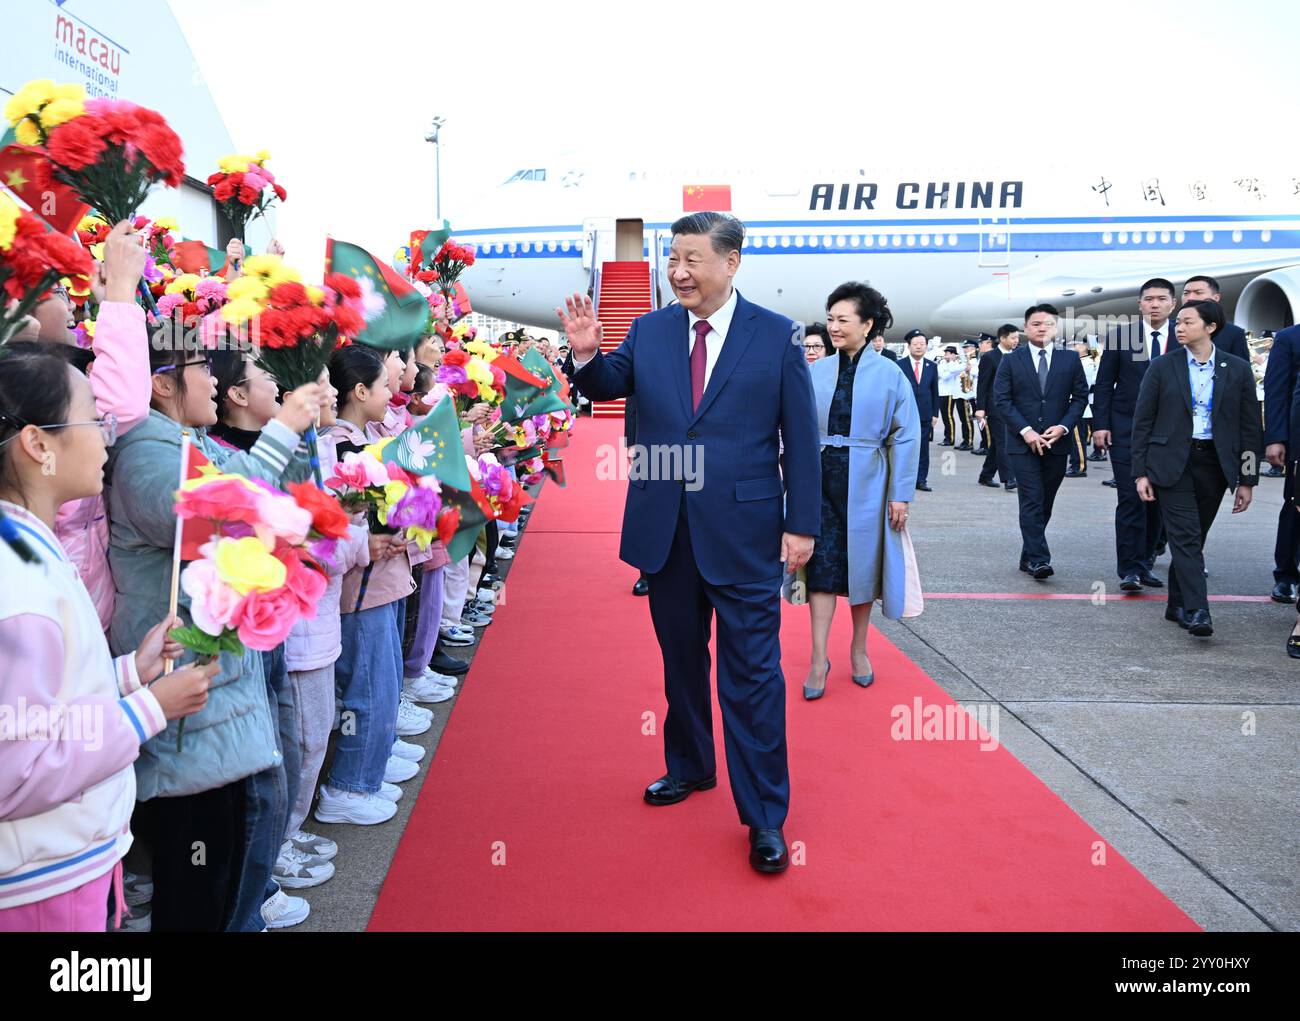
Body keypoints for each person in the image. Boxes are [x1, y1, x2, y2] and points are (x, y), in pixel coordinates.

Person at [558, 211, 820, 875]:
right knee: (681, 663)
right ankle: (691, 765)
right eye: (673, 258)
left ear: (731, 263)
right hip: (666, 529)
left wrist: (803, 523)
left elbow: (803, 439)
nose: (679, 272)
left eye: (693, 259)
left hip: (746, 531)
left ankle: (765, 814)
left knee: (754, 676)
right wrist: (587, 353)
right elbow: (608, 385)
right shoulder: (648, 330)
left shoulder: (777, 335)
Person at [0, 344, 216, 932]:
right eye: (94, 417)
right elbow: (17, 770)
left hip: (64, 859)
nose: (107, 435)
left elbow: (48, 708)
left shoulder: (30, 549)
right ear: (38, 444)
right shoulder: (18, 582)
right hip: (44, 879)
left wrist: (128, 673)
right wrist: (150, 709)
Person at [107, 335, 319, 932]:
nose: (214, 382)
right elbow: (218, 505)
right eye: (204, 369)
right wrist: (283, 432)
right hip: (186, 722)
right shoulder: (144, 450)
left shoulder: (186, 438)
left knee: (221, 876)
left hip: (214, 703)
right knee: (197, 891)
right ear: (163, 382)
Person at [801, 283, 922, 701]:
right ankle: (818, 657)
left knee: (860, 568)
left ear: (867, 325)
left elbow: (907, 436)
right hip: (818, 480)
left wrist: (900, 494)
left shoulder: (891, 373)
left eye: (843, 320)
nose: (833, 327)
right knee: (820, 567)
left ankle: (858, 648)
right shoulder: (814, 371)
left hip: (868, 480)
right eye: (830, 318)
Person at [1131, 300, 1260, 637]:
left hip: (1215, 464)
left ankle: (1176, 603)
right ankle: (1198, 609)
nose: (1180, 328)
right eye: (1178, 323)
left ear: (1211, 326)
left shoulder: (1237, 368)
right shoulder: (1162, 366)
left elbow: (1250, 428)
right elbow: (1142, 423)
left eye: (1188, 322)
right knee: (1186, 536)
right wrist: (1140, 473)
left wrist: (1247, 479)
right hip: (1171, 463)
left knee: (1194, 537)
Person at [992, 304, 1089, 578]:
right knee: (1031, 499)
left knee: (1045, 502)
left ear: (1056, 328)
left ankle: (1028, 555)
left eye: (1047, 323)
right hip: (1023, 444)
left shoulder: (1070, 360)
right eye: (1036, 324)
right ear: (1025, 328)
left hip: (1057, 443)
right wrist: (1026, 431)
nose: (1042, 327)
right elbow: (1002, 400)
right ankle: (1039, 559)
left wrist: (1063, 427)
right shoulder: (1011, 360)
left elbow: (1080, 397)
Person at [1093, 279, 1175, 591]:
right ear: (1139, 304)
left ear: (1173, 304)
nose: (1155, 304)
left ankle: (1145, 563)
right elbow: (1104, 384)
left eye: (1161, 299)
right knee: (1130, 498)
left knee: (1156, 500)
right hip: (1125, 430)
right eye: (1149, 299)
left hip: (1168, 434)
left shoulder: (1181, 338)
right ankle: (1128, 569)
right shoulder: (1121, 336)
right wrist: (1101, 424)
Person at [1263, 321, 1300, 603]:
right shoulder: (1290, 338)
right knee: (1295, 507)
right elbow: (1277, 391)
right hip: (1297, 438)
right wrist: (1276, 438)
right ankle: (1286, 575)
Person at [975, 324, 1019, 489]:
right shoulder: (990, 357)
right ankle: (1009, 478)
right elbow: (982, 384)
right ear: (1002, 338)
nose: (1016, 341)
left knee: (997, 443)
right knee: (1004, 441)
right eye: (1013, 338)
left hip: (1013, 406)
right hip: (995, 406)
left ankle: (986, 475)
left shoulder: (1018, 355)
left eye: (1017, 338)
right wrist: (980, 408)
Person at [899, 330, 939, 491]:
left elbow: (935, 391)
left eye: (922, 344)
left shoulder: (932, 366)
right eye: (915, 344)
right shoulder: (899, 365)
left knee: (923, 449)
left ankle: (921, 479)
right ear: (908, 346)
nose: (919, 347)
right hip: (905, 414)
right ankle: (904, 479)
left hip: (925, 414)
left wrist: (935, 413)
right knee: (904, 448)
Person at [1180, 276, 1250, 361]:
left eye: (1198, 293)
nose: (1190, 298)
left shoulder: (1233, 333)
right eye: (1186, 293)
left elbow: (1241, 370)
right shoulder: (1170, 329)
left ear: (1216, 298)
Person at [1064, 338, 1095, 478]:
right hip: (1074, 404)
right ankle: (1075, 464)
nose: (1073, 348)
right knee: (1074, 439)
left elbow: (1084, 385)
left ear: (1085, 347)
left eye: (1075, 345)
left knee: (1078, 439)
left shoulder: (1087, 363)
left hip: (1080, 406)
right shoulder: (1080, 362)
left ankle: (1080, 466)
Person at [937, 345, 966, 448]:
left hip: (949, 392)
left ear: (953, 354)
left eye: (947, 353)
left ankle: (950, 438)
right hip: (941, 392)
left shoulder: (957, 363)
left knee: (948, 416)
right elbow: (942, 373)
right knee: (945, 416)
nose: (945, 355)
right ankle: (947, 437)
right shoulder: (942, 363)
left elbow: (945, 376)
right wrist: (950, 372)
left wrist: (950, 369)